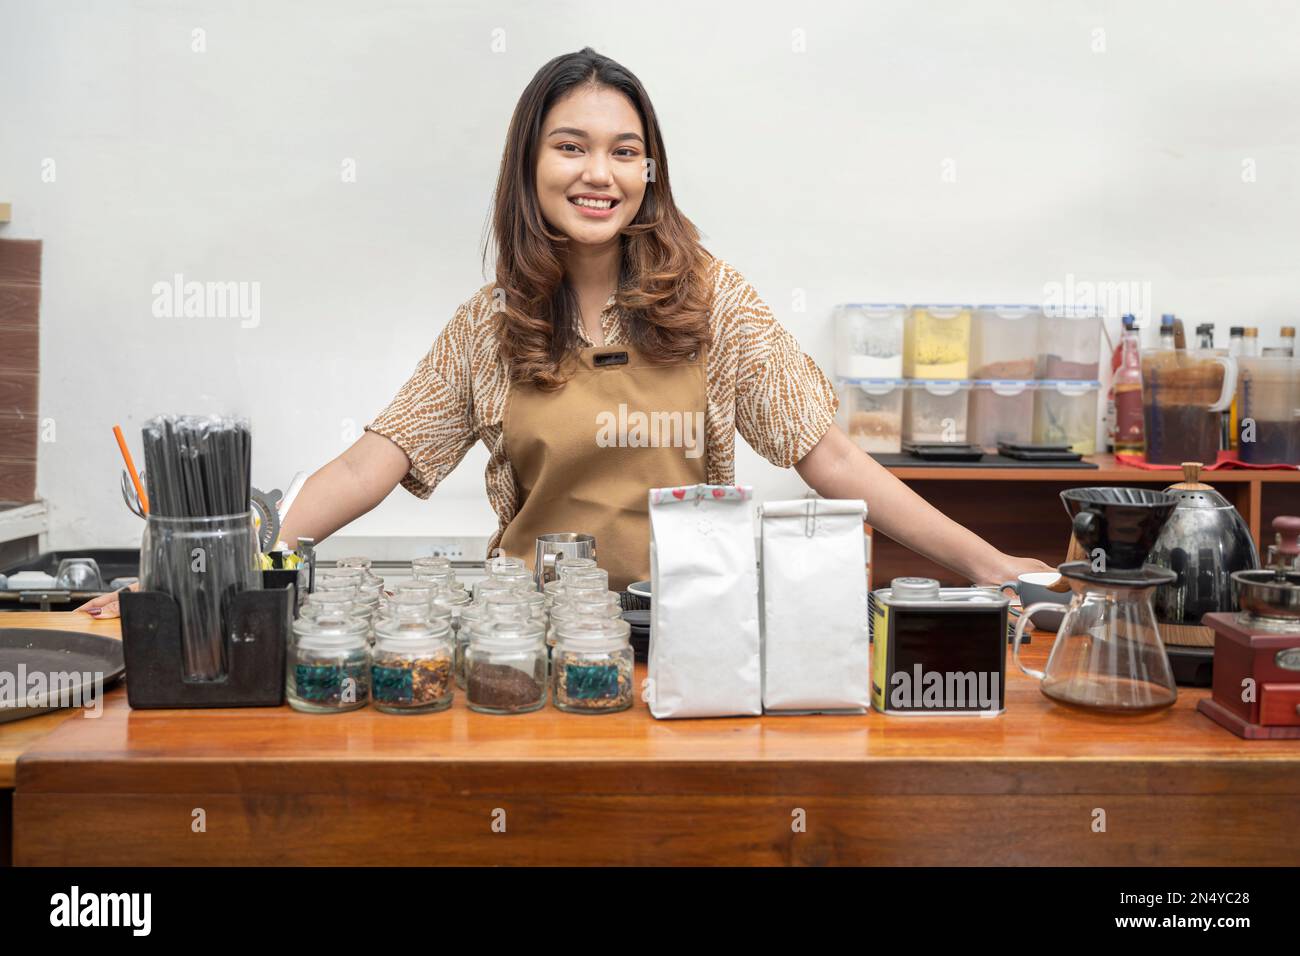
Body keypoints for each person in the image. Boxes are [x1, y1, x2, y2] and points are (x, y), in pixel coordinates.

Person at [81, 47, 1050, 617]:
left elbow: (828, 454)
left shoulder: (715, 303)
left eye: (625, 151)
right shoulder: (488, 325)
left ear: (649, 173)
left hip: (690, 628)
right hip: (531, 635)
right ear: (531, 166)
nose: (601, 172)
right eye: (572, 146)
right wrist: (189, 576)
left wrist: (988, 563)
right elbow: (363, 468)